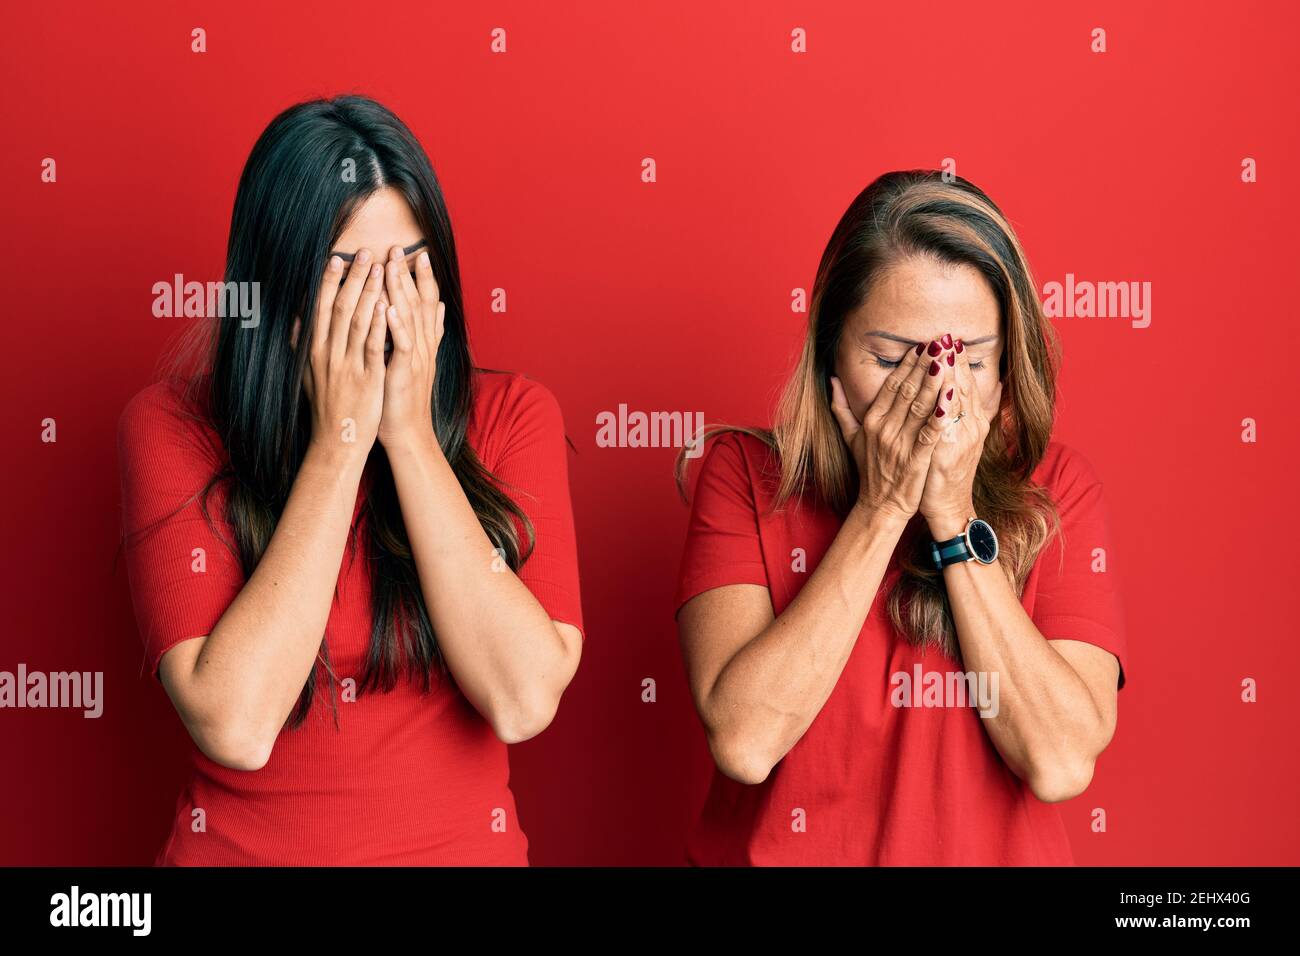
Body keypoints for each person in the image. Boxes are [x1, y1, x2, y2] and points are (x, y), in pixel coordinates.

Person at [118, 96, 583, 865]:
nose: (383, 307)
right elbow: (235, 724)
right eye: (347, 275)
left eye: (407, 269)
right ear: (276, 290)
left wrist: (406, 438)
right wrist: (339, 444)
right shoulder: (171, 426)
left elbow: (524, 698)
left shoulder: (513, 416)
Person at [675, 170, 1126, 865]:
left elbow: (1061, 761)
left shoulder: (1056, 491)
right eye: (892, 360)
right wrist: (882, 508)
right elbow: (745, 742)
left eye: (969, 361)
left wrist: (951, 518)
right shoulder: (745, 477)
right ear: (830, 351)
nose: (937, 397)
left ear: (1007, 366)